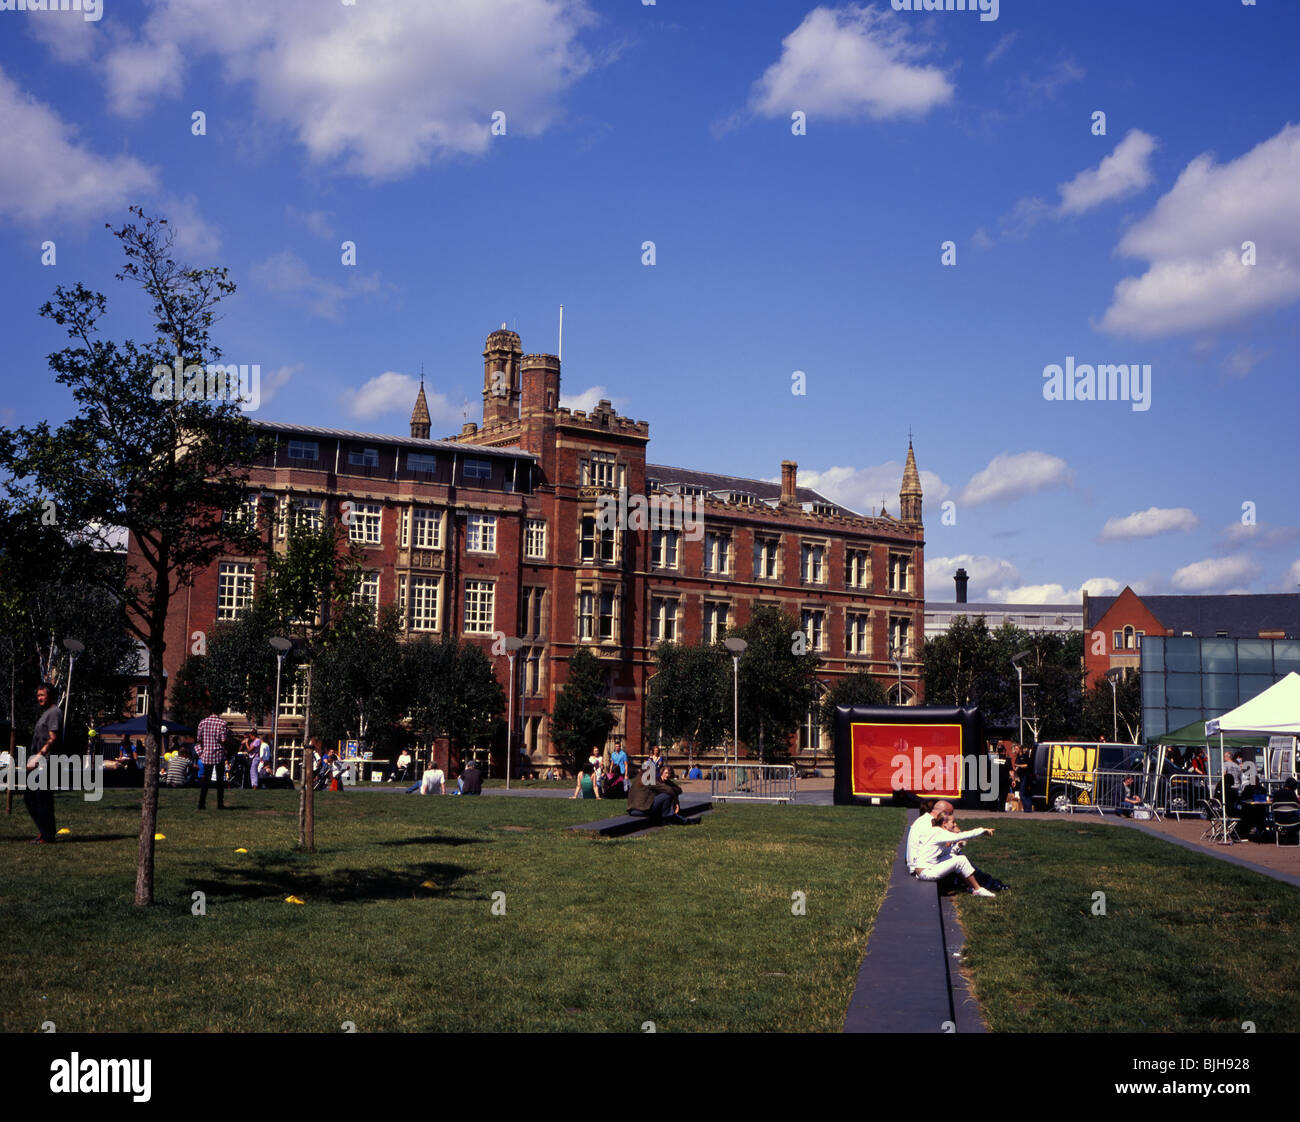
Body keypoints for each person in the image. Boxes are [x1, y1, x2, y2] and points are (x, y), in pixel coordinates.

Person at [907, 801, 998, 896]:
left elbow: (943, 853)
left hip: (925, 868)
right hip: (925, 872)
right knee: (960, 860)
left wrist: (957, 846)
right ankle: (977, 889)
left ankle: (972, 887)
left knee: (955, 858)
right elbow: (962, 835)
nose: (955, 825)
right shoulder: (939, 832)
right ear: (944, 823)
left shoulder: (935, 830)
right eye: (953, 822)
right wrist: (982, 830)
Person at [24, 682, 63, 844]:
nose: (39, 698)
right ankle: (45, 833)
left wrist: (38, 757)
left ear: (50, 696)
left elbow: (53, 738)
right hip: (41, 762)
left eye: (42, 695)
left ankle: (47, 836)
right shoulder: (47, 713)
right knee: (33, 798)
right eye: (38, 695)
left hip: (47, 762)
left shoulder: (54, 712)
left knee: (40, 798)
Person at [195, 708, 230, 810]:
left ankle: (201, 803)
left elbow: (199, 739)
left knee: (206, 779)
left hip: (207, 754)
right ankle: (220, 804)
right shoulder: (222, 723)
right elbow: (223, 740)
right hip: (218, 754)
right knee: (220, 780)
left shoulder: (203, 722)